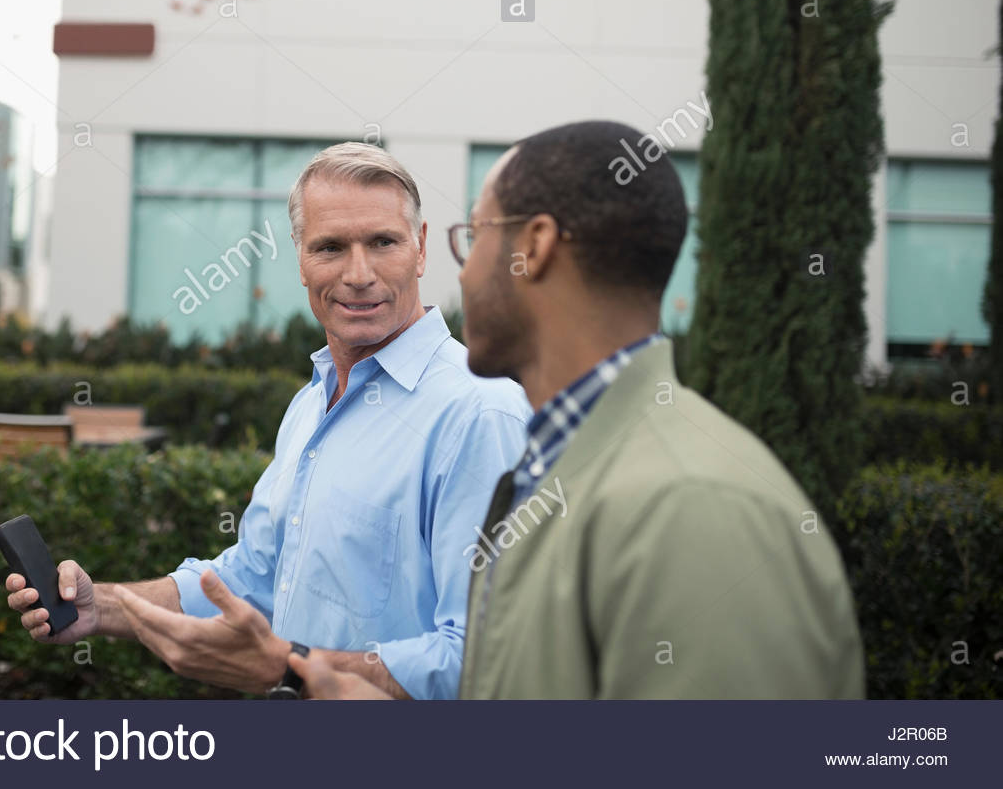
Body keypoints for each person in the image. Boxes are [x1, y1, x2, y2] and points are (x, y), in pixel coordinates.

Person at [292, 121, 865, 699]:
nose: (459, 273)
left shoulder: (690, 502)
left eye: (473, 238)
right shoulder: (569, 466)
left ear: (534, 248)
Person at [5, 142, 530, 700]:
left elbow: (483, 657)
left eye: (383, 242)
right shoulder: (311, 404)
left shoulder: (482, 413)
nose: (358, 274)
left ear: (421, 248)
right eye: (330, 247)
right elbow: (251, 578)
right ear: (301, 259)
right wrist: (104, 607)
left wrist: (287, 668)